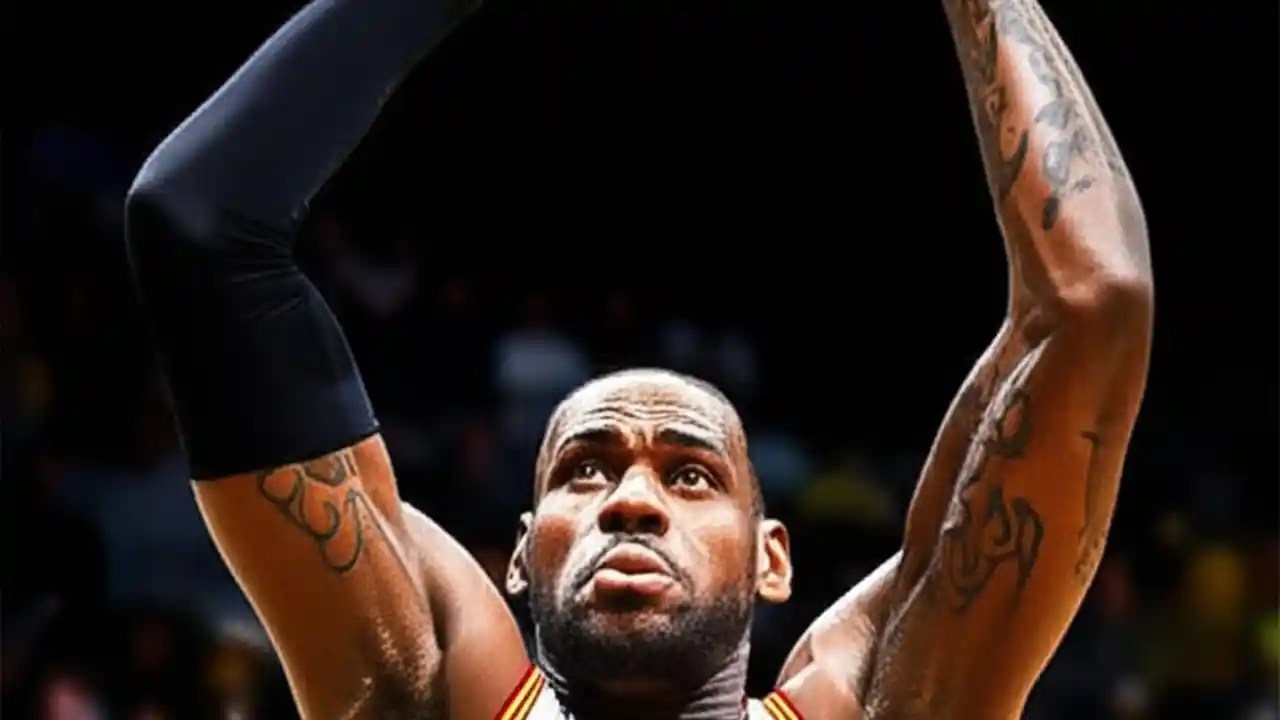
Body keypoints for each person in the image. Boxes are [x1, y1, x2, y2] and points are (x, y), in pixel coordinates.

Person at [122, 0, 1153, 715]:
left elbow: (1090, 305)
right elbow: (195, 226)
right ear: (520, 557)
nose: (629, 499)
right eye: (584, 470)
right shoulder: (421, 686)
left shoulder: (889, 700)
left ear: (771, 556)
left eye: (691, 475)